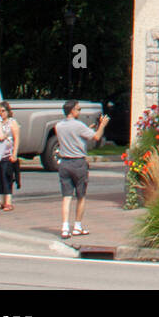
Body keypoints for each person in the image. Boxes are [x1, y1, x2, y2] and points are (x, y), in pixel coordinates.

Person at [55, 99, 109, 239]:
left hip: (64, 163)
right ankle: (77, 226)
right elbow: (96, 136)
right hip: (78, 163)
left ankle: (65, 227)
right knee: (81, 196)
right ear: (72, 110)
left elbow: (75, 136)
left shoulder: (58, 126)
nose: (79, 111)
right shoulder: (79, 125)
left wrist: (88, 129)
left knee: (66, 197)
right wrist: (102, 125)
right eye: (78, 109)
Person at [0, 101, 21, 212]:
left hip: (8, 154)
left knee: (7, 177)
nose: (1, 113)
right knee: (0, 178)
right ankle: (2, 201)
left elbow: (16, 138)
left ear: (8, 111)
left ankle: (8, 202)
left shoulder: (12, 122)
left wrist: (14, 154)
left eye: (3, 111)